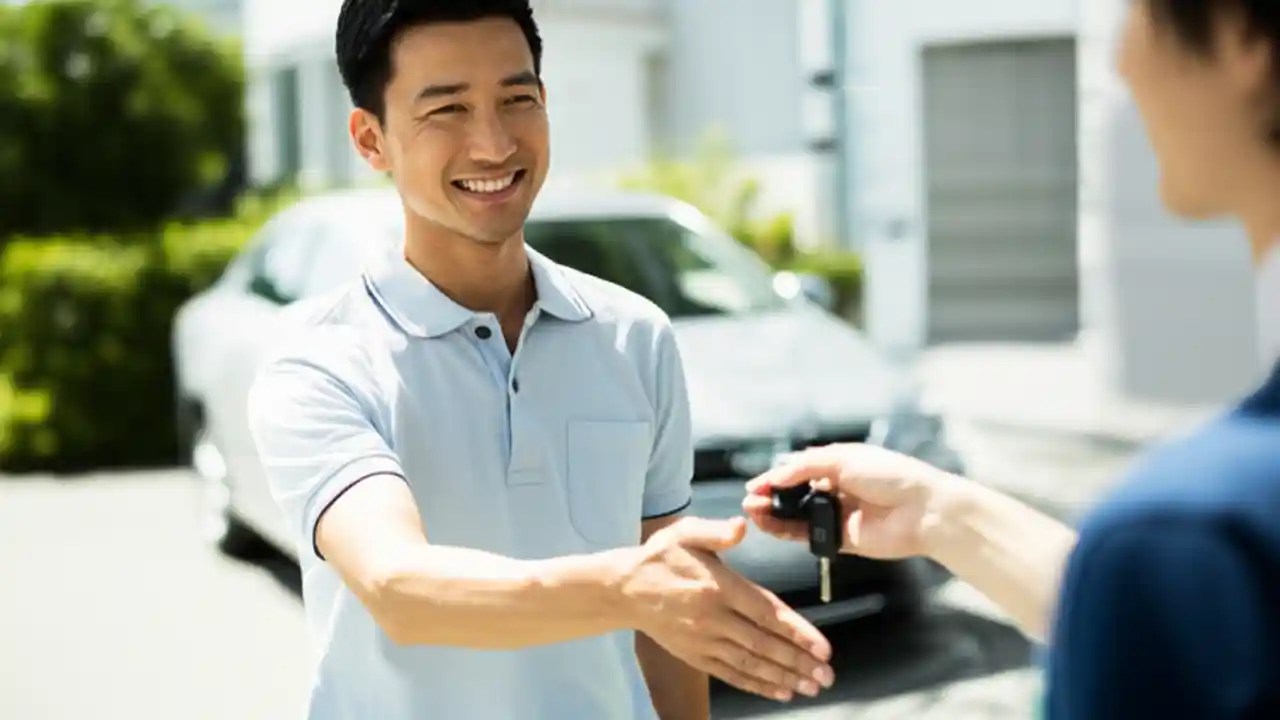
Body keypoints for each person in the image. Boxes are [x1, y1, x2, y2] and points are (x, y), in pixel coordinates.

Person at [245, 1, 836, 718]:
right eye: (447, 110)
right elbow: (399, 589)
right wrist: (624, 589)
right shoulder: (322, 363)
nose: (493, 144)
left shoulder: (634, 336)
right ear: (371, 139)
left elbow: (672, 610)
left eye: (516, 99)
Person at [745, 0, 1280, 717]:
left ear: (1240, 32)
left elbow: (1176, 605)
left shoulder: (1200, 535)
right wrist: (941, 513)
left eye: (1141, 14)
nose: (1123, 62)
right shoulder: (1191, 550)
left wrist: (1141, 565)